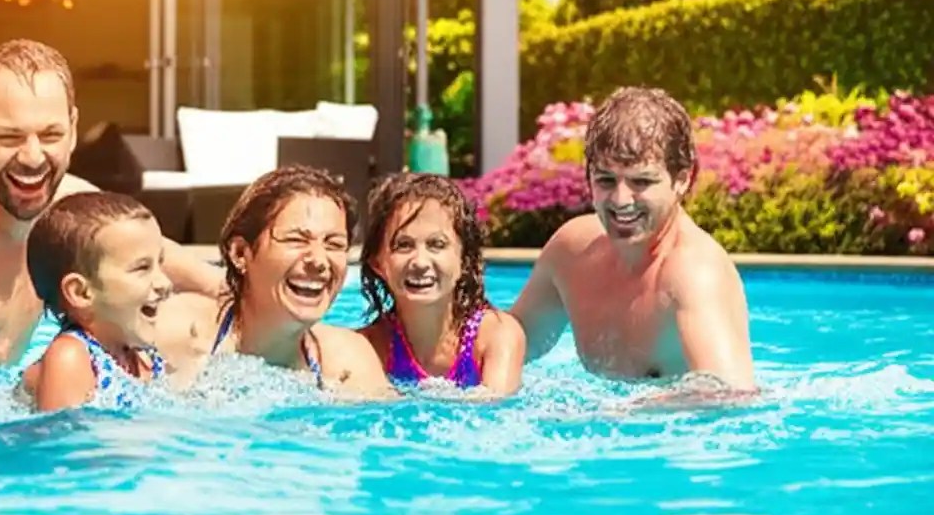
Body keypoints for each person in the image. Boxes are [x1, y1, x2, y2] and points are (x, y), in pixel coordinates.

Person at [0, 39, 222, 373]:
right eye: (9, 137)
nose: (33, 158)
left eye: (50, 135)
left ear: (74, 129)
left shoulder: (72, 207)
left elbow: (212, 284)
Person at [508, 86, 757, 394]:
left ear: (682, 180)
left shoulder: (692, 274)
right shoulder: (572, 251)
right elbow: (514, 340)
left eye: (642, 182)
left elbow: (729, 394)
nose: (621, 200)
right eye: (606, 180)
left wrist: (616, 414)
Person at [154, 165, 399, 401]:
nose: (319, 260)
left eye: (334, 244)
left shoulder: (346, 361)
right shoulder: (178, 334)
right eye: (296, 240)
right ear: (240, 253)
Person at [357, 172, 526, 398]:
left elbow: (496, 419)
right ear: (378, 264)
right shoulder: (369, 347)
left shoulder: (496, 336)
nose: (419, 262)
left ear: (464, 260)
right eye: (404, 245)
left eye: (437, 244)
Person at [16, 192, 174, 412]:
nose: (164, 282)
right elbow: (61, 443)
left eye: (160, 263)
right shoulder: (70, 358)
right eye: (142, 268)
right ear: (81, 292)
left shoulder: (141, 356)